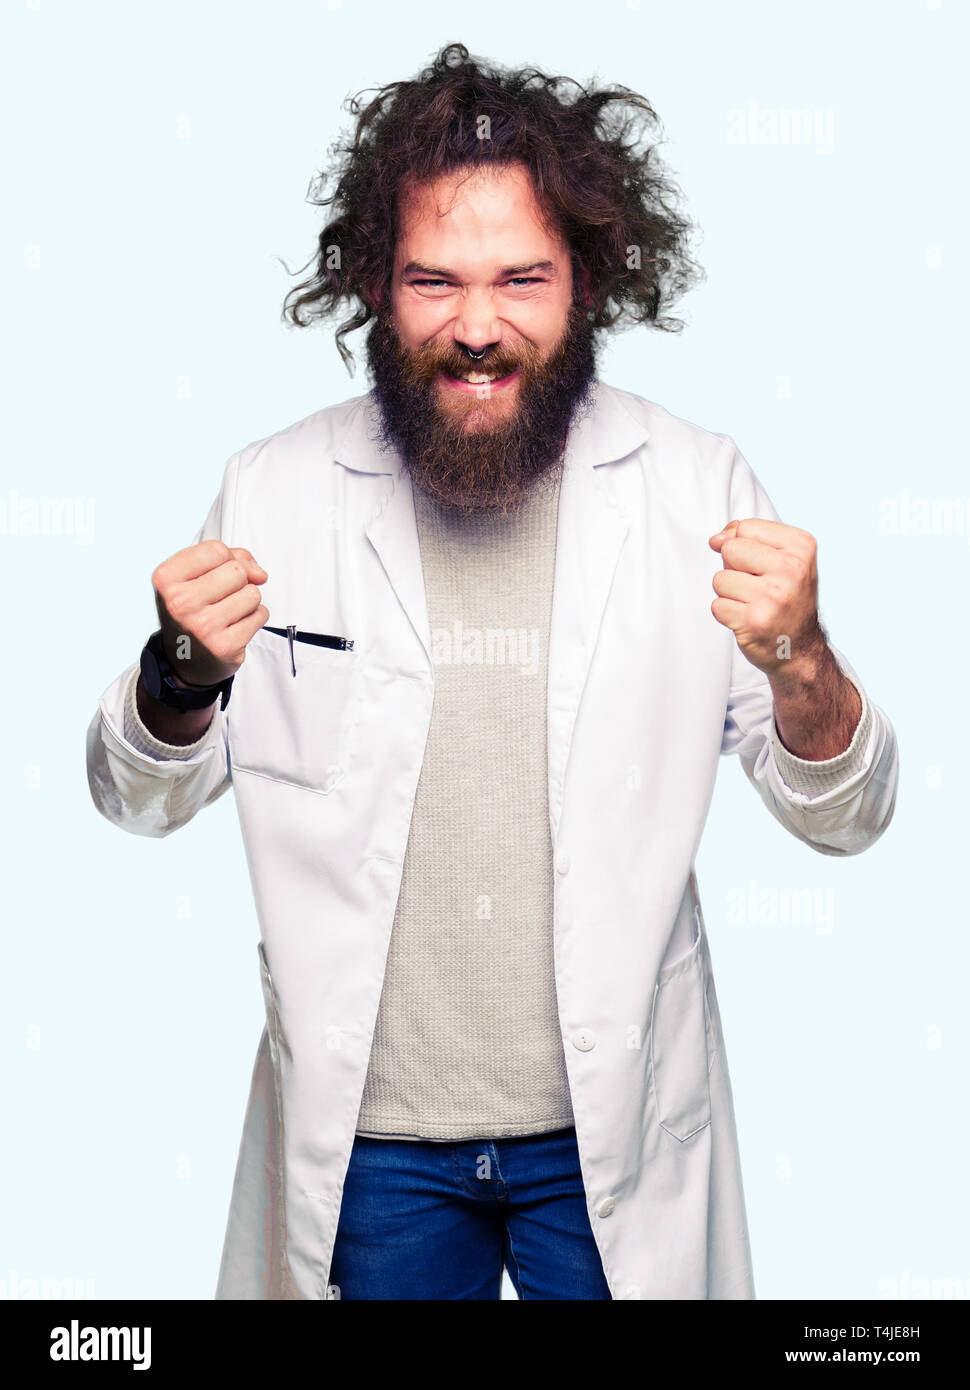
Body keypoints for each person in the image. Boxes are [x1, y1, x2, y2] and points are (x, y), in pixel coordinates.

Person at [86, 43, 898, 1300]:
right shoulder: (275, 489)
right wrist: (179, 674)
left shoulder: (693, 485)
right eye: (433, 280)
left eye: (521, 276)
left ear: (588, 281)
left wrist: (799, 655)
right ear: (375, 285)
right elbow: (135, 797)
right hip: (373, 1149)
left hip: (610, 1135)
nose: (476, 326)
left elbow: (848, 816)